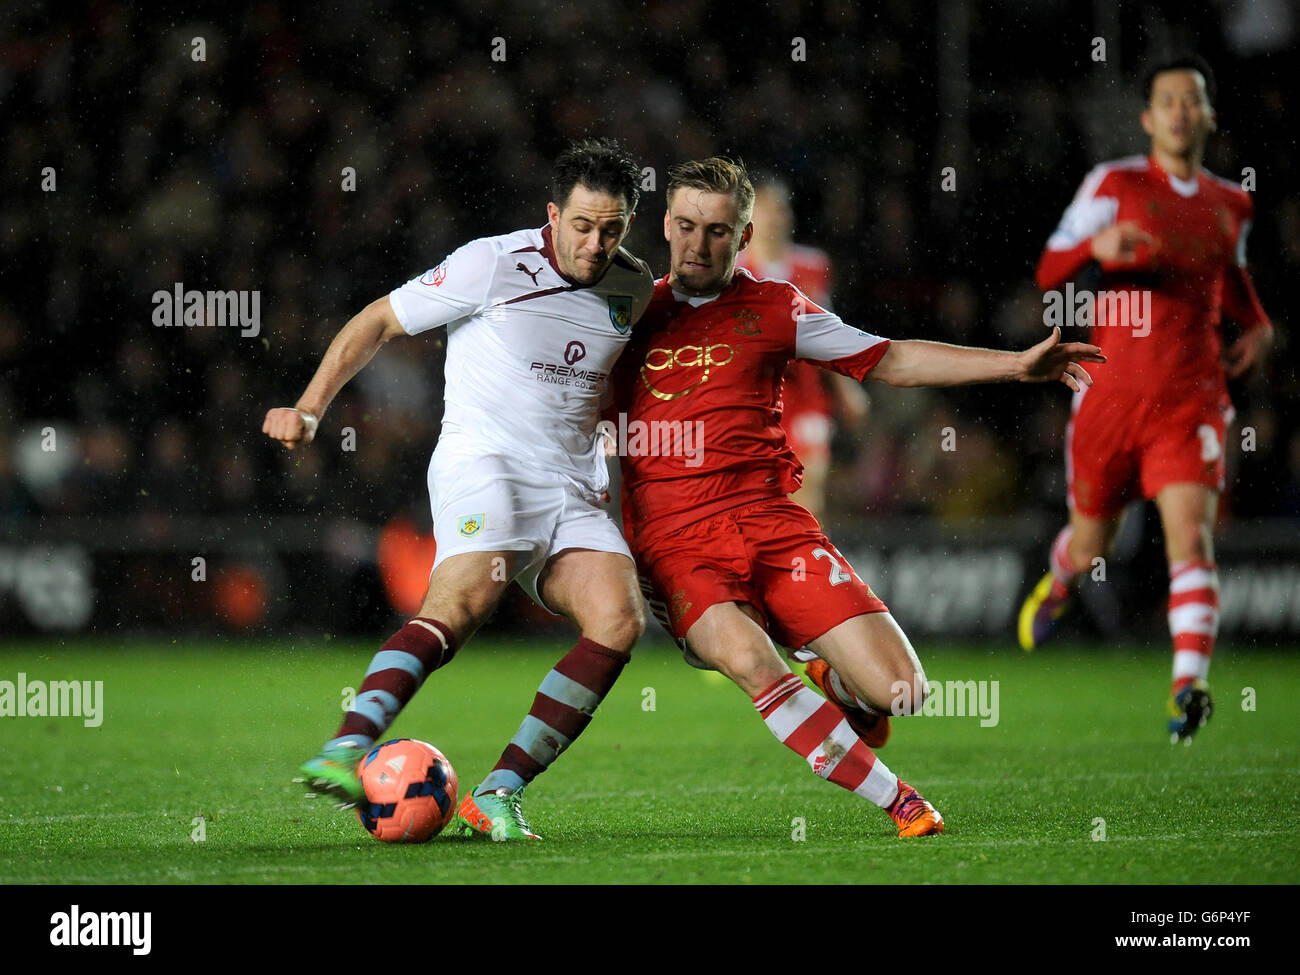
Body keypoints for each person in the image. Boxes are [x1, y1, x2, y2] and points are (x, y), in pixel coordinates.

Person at [457, 157, 1103, 839]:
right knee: (749, 658)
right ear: (664, 225)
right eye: (685, 227)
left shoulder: (776, 307)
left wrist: (1015, 365)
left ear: (744, 237)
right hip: (676, 546)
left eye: (717, 231)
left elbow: (890, 358)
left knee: (902, 693)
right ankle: (900, 801)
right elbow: (546, 389)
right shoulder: (623, 313)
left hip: (774, 528)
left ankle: (833, 674)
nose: (698, 246)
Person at [262, 138, 655, 835]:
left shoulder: (633, 287)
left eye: (612, 228)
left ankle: (498, 791)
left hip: (571, 484)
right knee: (465, 602)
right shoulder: (493, 263)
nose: (595, 243)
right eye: (583, 225)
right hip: (488, 463)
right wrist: (311, 407)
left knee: (620, 620)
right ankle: (347, 743)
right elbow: (378, 319)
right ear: (552, 214)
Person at [1018, 56, 1275, 742]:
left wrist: (1258, 324)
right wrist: (1097, 245)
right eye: (1168, 101)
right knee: (1092, 540)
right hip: (1108, 397)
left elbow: (1235, 275)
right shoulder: (1114, 183)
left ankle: (1187, 688)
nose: (1181, 112)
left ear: (1208, 115)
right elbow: (1050, 267)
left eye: (1192, 100)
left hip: (1191, 402)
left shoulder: (1232, 204)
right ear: (1148, 117)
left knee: (1192, 537)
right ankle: (1063, 577)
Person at [736, 175, 868, 522]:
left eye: (781, 208)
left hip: (805, 395)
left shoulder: (811, 267)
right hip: (754, 399)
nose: (775, 217)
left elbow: (828, 330)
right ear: (748, 217)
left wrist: (847, 386)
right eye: (765, 209)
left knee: (809, 490)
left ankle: (805, 572)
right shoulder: (734, 271)